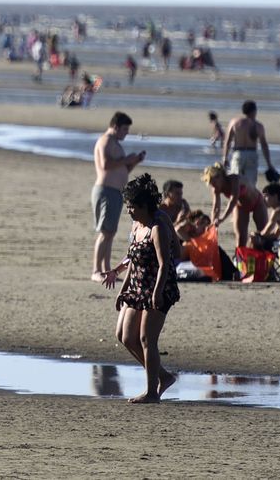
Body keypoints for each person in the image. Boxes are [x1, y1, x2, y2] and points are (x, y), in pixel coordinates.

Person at [101, 173, 180, 403]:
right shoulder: (137, 226)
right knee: (124, 336)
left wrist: (156, 292)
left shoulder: (158, 227)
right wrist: (121, 289)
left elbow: (165, 263)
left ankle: (152, 392)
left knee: (147, 339)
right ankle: (163, 377)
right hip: (137, 285)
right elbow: (133, 259)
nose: (129, 211)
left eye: (132, 206)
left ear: (145, 206)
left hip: (158, 287)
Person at [91, 112, 146, 282]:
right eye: (124, 129)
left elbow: (121, 171)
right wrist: (126, 160)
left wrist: (134, 161)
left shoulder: (115, 143)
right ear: (115, 126)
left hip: (115, 191)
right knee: (105, 231)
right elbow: (105, 165)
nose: (126, 133)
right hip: (106, 189)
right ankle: (96, 270)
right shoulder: (106, 141)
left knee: (111, 232)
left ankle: (107, 270)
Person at [202, 162, 266, 250]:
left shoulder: (234, 179)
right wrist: (213, 224)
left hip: (257, 202)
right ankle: (240, 261)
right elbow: (216, 208)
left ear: (221, 177)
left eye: (213, 182)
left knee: (263, 234)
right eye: (210, 183)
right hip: (241, 207)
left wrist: (222, 218)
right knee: (240, 239)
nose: (213, 185)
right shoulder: (216, 189)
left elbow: (233, 200)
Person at [221, 100, 275, 189]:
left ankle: (237, 201)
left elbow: (227, 142)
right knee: (250, 184)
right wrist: (269, 163)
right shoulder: (258, 126)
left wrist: (225, 157)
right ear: (254, 111)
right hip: (252, 154)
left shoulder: (234, 123)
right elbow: (264, 145)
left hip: (238, 153)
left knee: (235, 182)